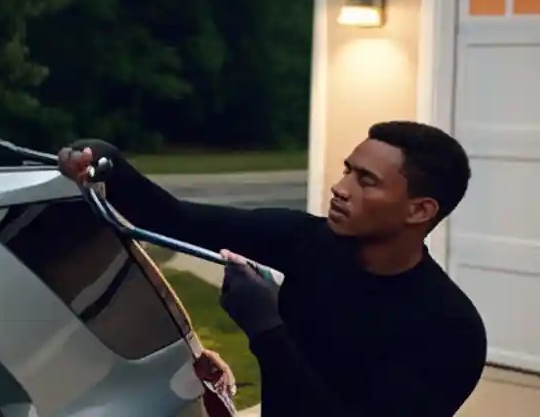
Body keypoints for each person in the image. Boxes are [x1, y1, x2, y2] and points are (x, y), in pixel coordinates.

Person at [57, 121, 487, 417]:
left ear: (419, 210)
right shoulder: (306, 240)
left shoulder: (450, 329)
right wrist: (110, 165)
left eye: (367, 181)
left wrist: (265, 327)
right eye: (347, 171)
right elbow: (175, 219)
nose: (340, 188)